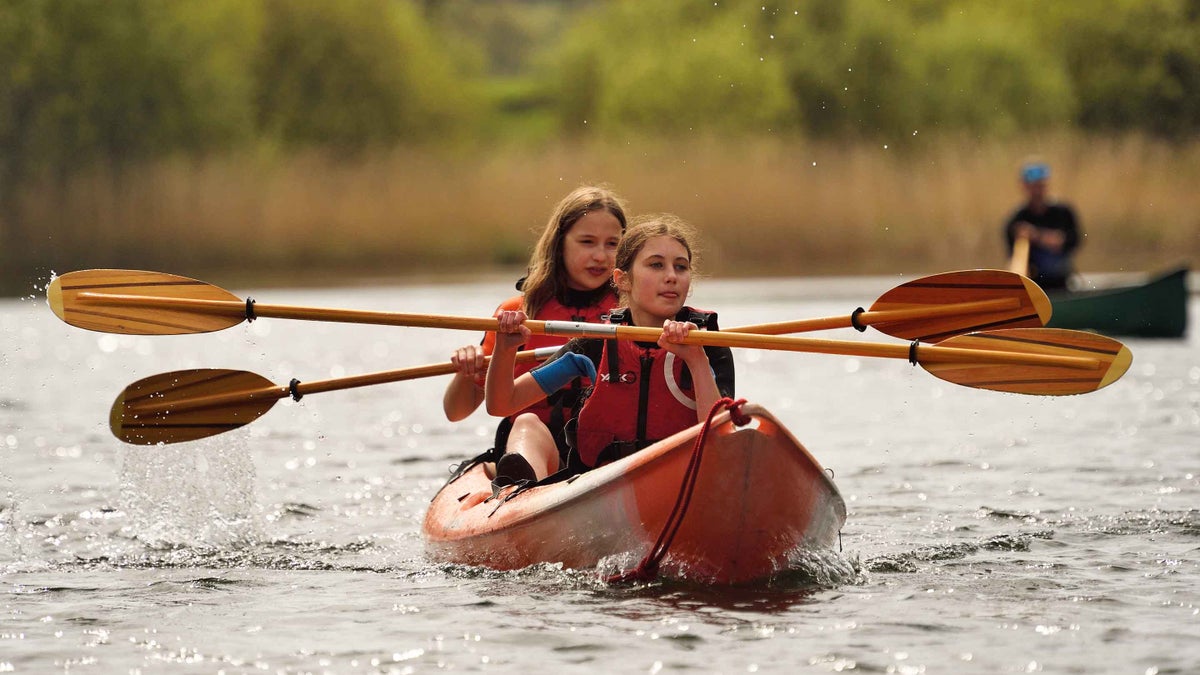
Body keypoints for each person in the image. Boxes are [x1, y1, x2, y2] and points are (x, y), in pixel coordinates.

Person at [484, 214, 736, 487]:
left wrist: (696, 360)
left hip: (681, 483)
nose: (671, 277)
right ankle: (520, 496)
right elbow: (502, 404)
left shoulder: (707, 343)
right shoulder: (594, 344)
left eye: (681, 267)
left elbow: (720, 438)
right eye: (656, 265)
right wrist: (505, 348)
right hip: (602, 487)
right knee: (527, 422)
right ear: (623, 279)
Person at [442, 185, 627, 467]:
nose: (601, 256)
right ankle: (520, 482)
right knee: (527, 421)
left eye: (612, 244)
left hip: (608, 448)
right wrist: (467, 372)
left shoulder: (631, 313)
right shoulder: (515, 314)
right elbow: (456, 412)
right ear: (560, 243)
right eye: (587, 242)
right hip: (536, 444)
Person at [1003, 160, 1081, 290]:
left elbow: (1072, 241)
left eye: (1040, 186)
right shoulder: (1016, 220)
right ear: (1024, 187)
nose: (1037, 190)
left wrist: (1036, 236)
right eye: (1033, 186)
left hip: (1062, 283)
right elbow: (1014, 259)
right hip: (1034, 286)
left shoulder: (1063, 213)